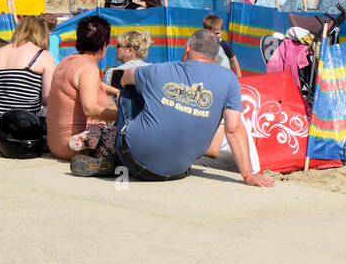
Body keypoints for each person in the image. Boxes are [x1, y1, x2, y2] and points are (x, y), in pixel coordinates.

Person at [73, 30, 272, 186]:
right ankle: (124, 161)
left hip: (133, 156)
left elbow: (125, 78)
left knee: (130, 91)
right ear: (214, 56)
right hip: (178, 169)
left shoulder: (160, 69)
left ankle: (117, 159)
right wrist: (248, 174)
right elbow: (234, 128)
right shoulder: (229, 79)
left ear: (187, 48)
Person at [0, 15, 57, 144]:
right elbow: (47, 99)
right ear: (42, 34)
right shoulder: (43, 56)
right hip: (25, 131)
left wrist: (4, 95)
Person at [46, 14, 117, 160]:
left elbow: (89, 84)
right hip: (75, 146)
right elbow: (90, 109)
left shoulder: (68, 61)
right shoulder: (88, 68)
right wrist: (124, 115)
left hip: (56, 143)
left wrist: (115, 91)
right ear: (104, 44)